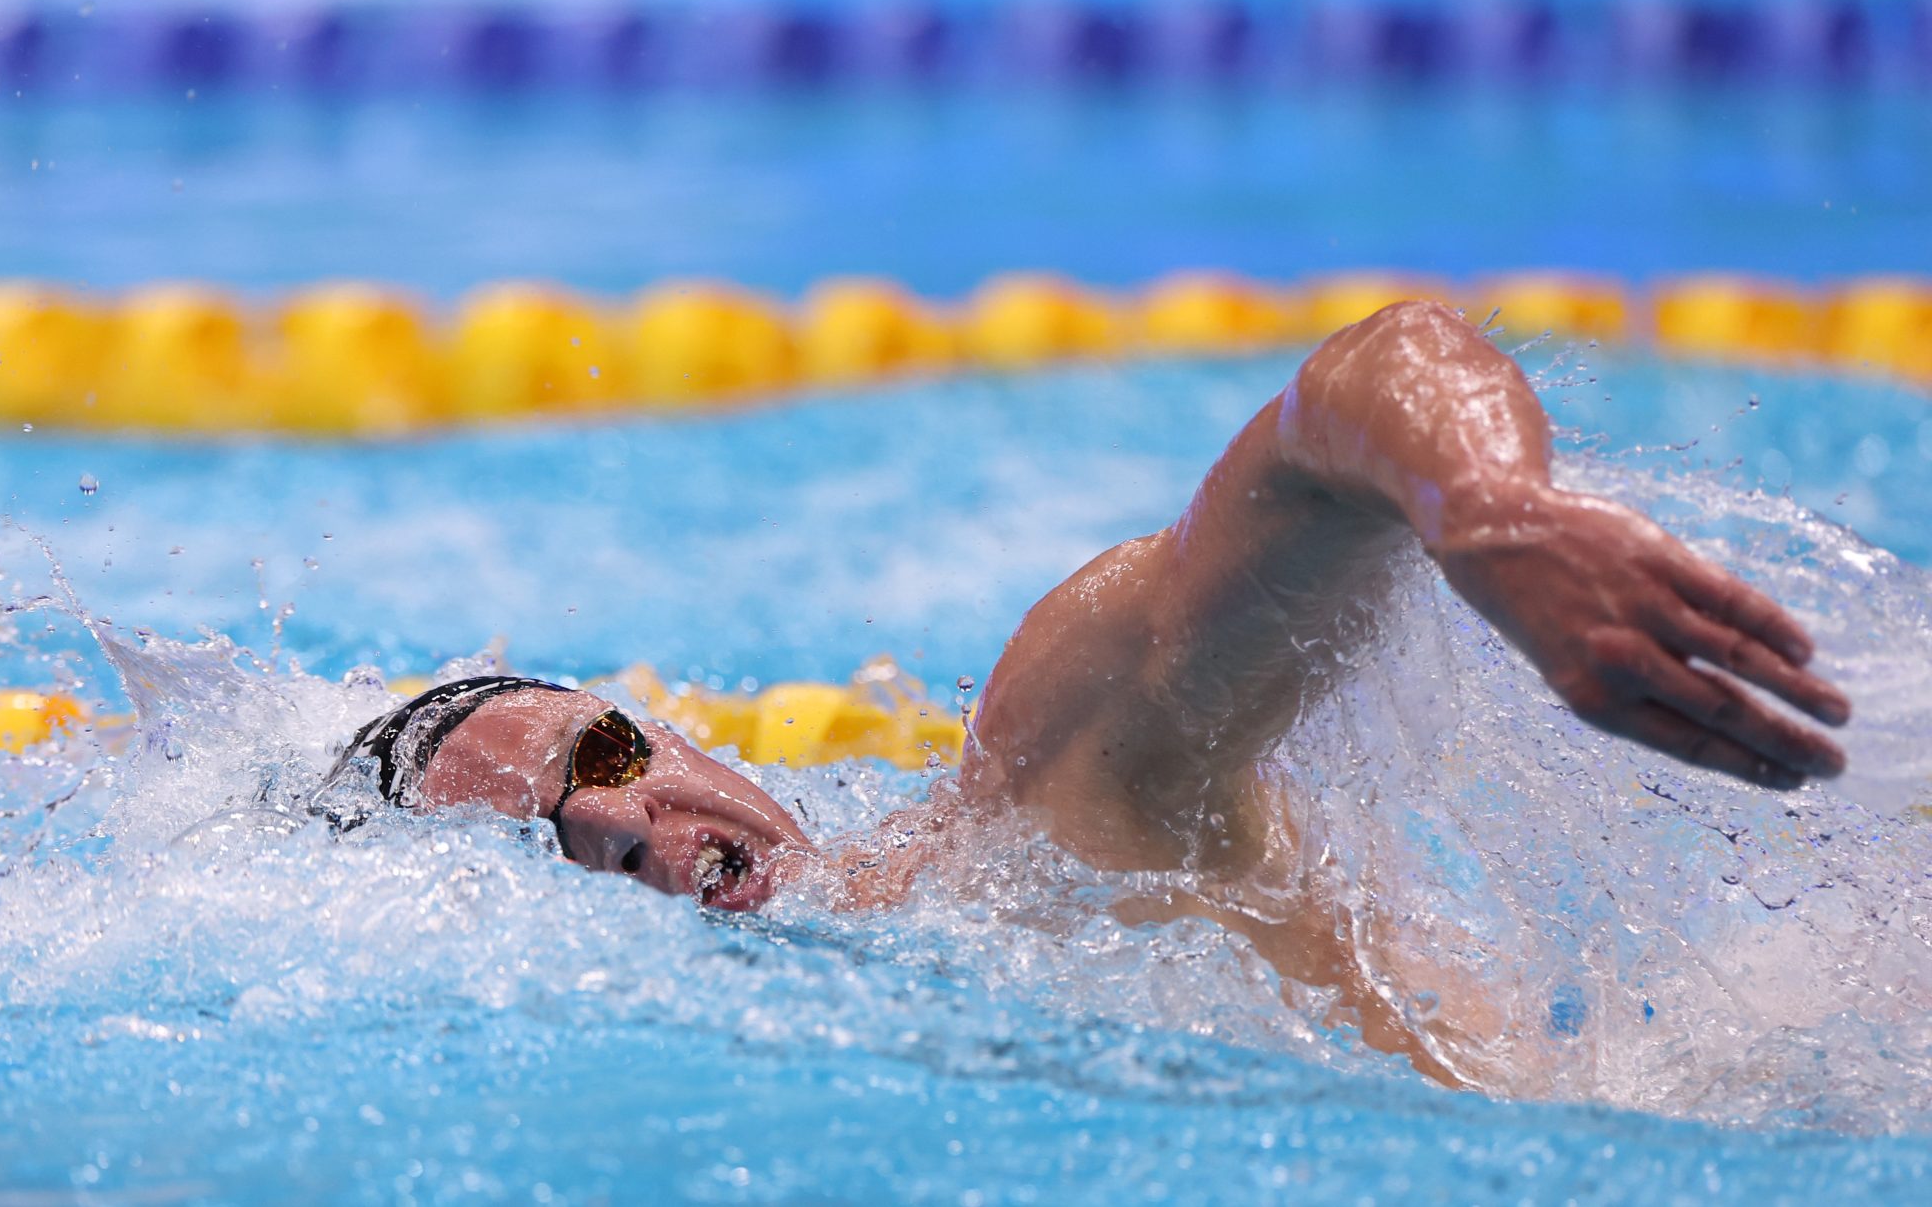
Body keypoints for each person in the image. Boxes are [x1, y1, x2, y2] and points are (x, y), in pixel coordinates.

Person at [314, 299, 1852, 1084]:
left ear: (680, 729)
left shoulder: (1042, 807)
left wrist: (1492, 508)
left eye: (607, 754)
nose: (637, 830)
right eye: (560, 850)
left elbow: (1358, 392)